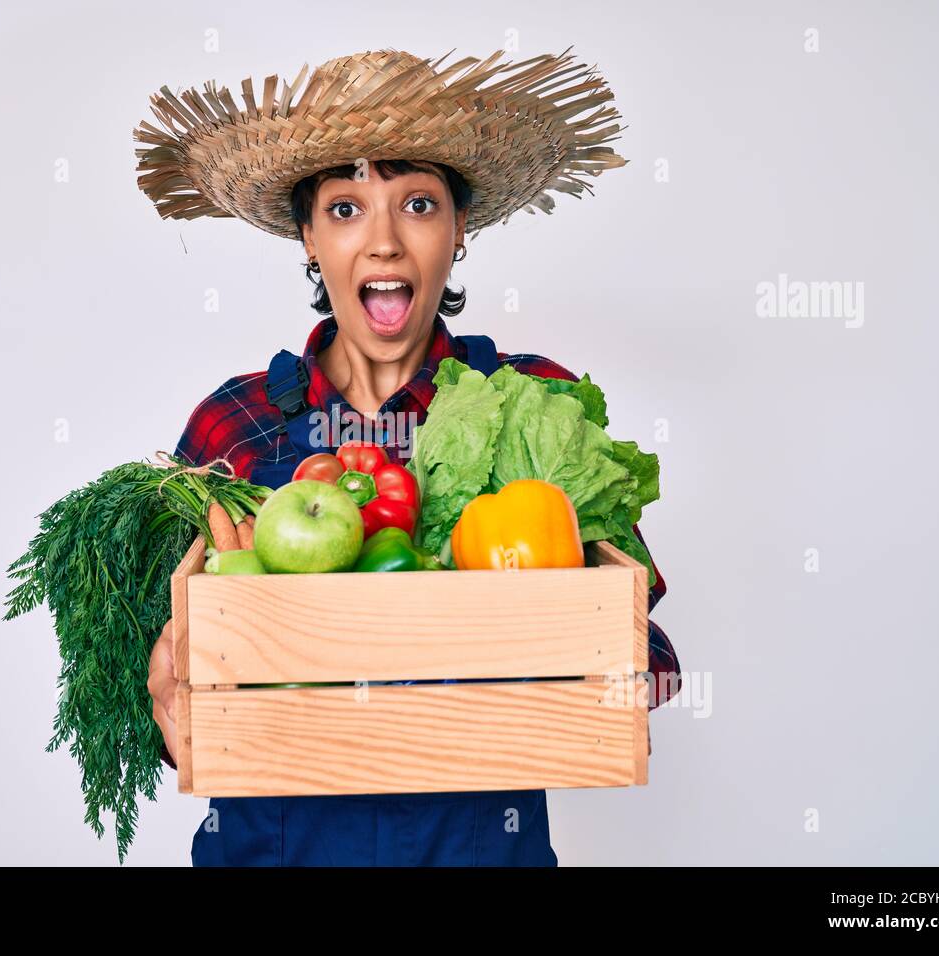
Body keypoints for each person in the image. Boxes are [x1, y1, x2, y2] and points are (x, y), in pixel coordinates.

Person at [137, 47, 681, 866]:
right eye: (347, 208)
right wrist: (165, 679)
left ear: (458, 231)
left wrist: (615, 674)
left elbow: (647, 647)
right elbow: (166, 693)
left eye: (418, 204)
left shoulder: (531, 402)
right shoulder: (233, 425)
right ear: (309, 237)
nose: (384, 241)